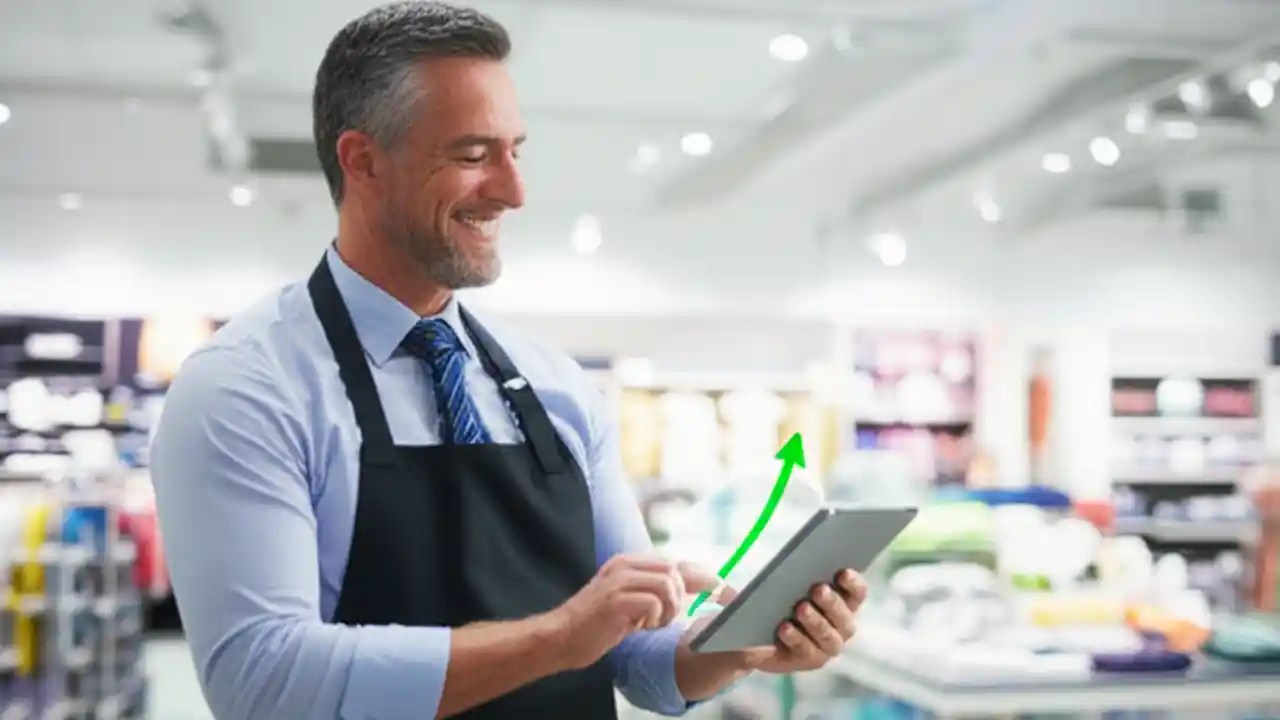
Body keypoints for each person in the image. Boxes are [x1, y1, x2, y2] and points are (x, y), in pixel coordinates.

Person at [150, 3, 867, 718]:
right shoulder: (247, 389)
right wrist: (558, 638)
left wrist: (741, 641)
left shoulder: (559, 389)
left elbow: (638, 658)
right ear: (363, 161)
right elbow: (266, 682)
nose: (513, 191)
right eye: (472, 156)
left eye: (514, 151)